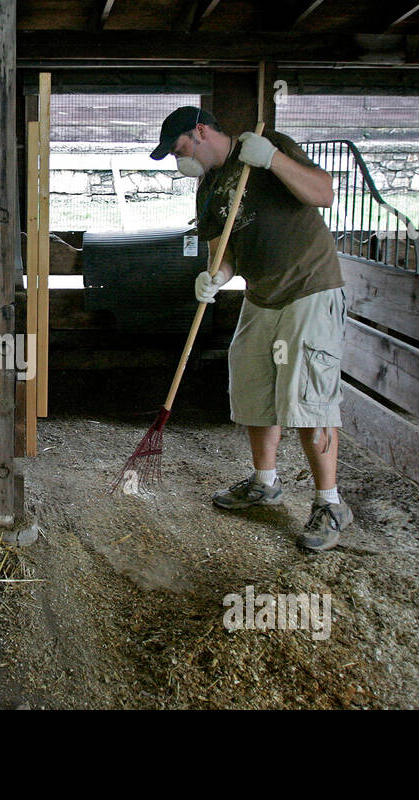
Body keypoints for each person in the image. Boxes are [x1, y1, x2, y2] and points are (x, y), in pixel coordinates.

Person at [150, 106, 352, 552]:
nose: (180, 161)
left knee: (307, 397)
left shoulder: (267, 146)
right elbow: (220, 250)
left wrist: (272, 161)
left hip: (309, 288)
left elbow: (324, 193)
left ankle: (330, 503)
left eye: (180, 149)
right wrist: (216, 278)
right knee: (253, 386)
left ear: (201, 131)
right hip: (261, 296)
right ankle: (265, 482)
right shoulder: (207, 187)